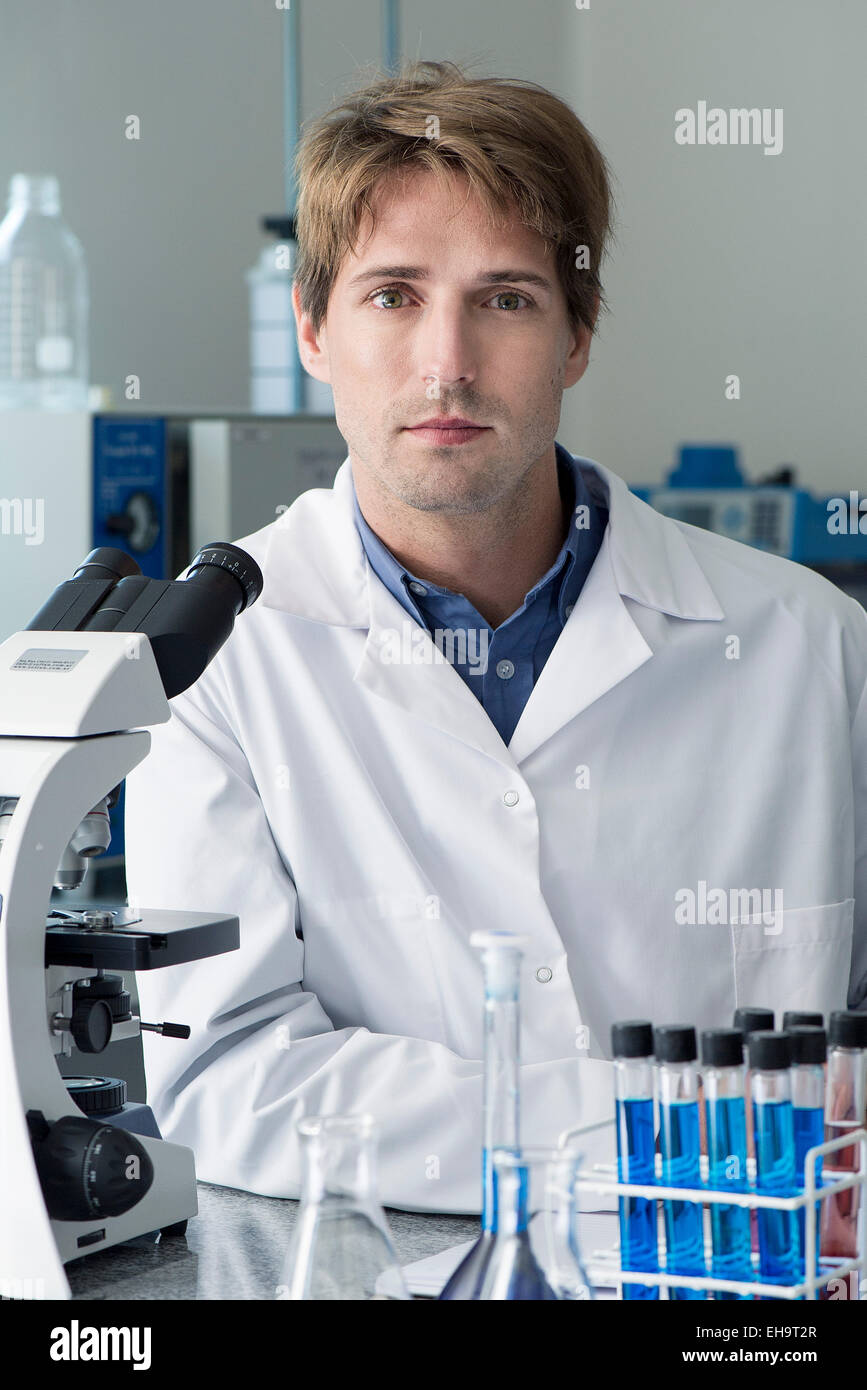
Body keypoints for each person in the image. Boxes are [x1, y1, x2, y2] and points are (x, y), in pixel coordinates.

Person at [123, 59, 867, 1211]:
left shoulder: (812, 648)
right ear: (313, 329)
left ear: (577, 336)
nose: (447, 364)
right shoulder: (212, 664)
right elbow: (229, 1075)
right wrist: (647, 1136)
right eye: (394, 295)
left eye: (507, 297)